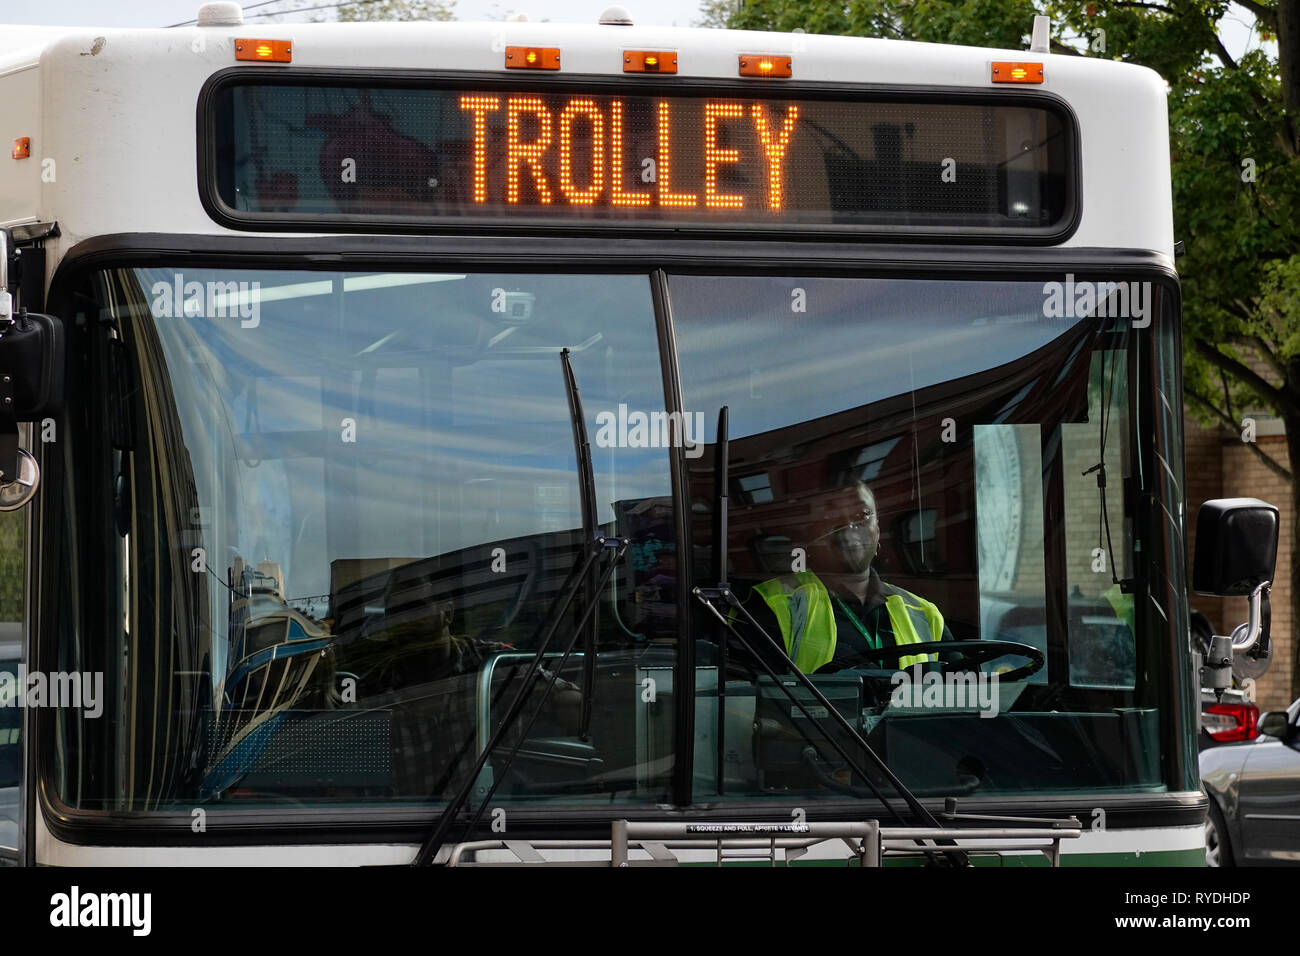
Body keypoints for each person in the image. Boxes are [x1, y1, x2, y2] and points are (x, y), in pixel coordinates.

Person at [736, 482, 951, 673]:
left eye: (863, 514)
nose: (848, 527)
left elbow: (962, 696)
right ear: (810, 536)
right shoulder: (770, 605)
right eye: (831, 518)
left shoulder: (925, 614)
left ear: (877, 531)